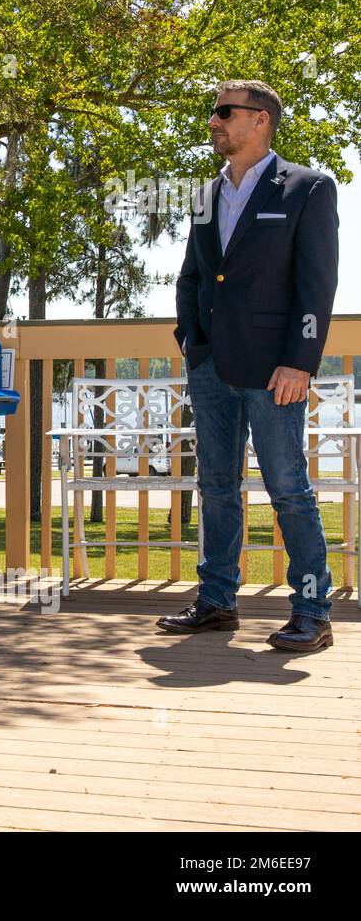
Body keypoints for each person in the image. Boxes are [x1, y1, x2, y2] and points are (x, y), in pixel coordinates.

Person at [160, 80, 339, 652]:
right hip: (210, 364)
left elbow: (317, 285)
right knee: (215, 486)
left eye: (223, 112)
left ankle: (313, 610)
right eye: (213, 111)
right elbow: (191, 274)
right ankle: (217, 602)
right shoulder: (205, 194)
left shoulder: (308, 188)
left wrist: (300, 361)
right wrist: (189, 339)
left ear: (259, 120)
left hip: (274, 371)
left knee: (288, 489)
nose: (213, 120)